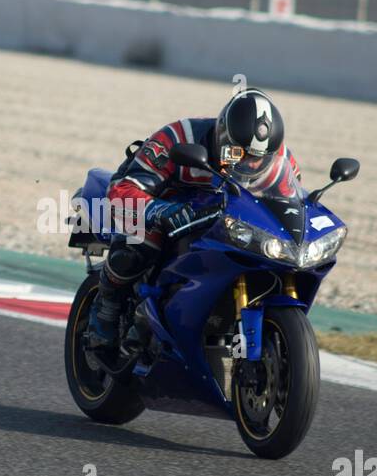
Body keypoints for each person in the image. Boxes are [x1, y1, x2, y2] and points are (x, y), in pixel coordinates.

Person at [87, 87, 302, 355]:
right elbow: (123, 191)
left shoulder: (281, 161)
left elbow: (287, 206)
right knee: (142, 241)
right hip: (160, 200)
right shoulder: (178, 137)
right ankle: (106, 307)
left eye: (257, 158)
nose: (249, 164)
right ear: (221, 136)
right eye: (239, 153)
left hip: (221, 214)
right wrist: (160, 211)